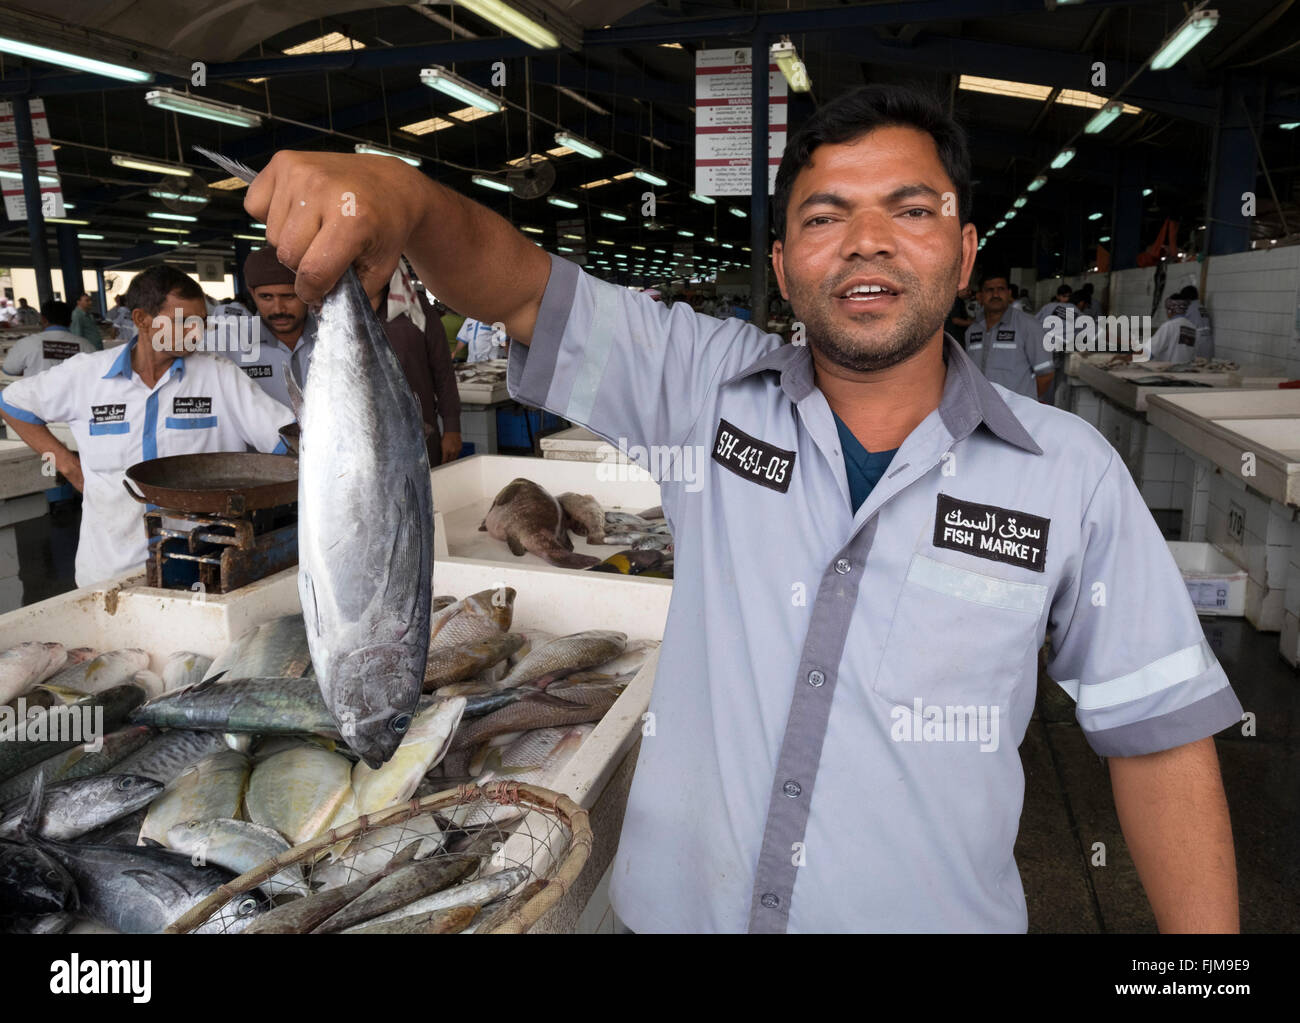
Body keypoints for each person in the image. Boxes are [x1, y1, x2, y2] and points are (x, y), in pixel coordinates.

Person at [244, 84, 1242, 934]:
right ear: (779, 267)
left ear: (967, 249)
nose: (866, 243)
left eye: (910, 210)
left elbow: (1158, 740)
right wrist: (405, 197)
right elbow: (514, 284)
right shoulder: (700, 388)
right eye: (823, 216)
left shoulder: (1068, 474)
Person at [0, 265, 293, 588]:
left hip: (203, 565)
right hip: (110, 570)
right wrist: (68, 467)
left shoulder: (219, 376)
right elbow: (13, 404)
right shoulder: (86, 376)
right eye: (183, 322)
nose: (196, 333)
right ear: (141, 319)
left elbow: (284, 442)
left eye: (202, 323)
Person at [207, 247, 317, 407]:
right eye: (266, 297)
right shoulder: (224, 346)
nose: (278, 309)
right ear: (252, 293)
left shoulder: (336, 340)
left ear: (307, 293)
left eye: (289, 296)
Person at [377, 266, 462, 466]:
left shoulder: (417, 309)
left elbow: (443, 372)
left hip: (420, 436)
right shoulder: (338, 313)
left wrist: (452, 427)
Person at [964, 272, 1054, 400]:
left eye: (1001, 289)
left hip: (1017, 413)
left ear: (1009, 293)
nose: (995, 295)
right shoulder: (972, 331)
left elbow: (1045, 374)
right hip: (982, 411)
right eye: (989, 290)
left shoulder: (1029, 326)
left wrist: (1025, 404)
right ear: (980, 296)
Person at [1, 300, 95, 376]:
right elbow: (94, 373)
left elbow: (9, 369)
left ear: (43, 319)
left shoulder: (26, 344)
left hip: (36, 398)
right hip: (75, 398)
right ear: (70, 321)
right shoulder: (86, 346)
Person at [1148, 294, 1199, 364]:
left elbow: (1150, 352)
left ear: (1170, 310)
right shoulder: (1194, 328)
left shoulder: (1168, 326)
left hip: (1167, 371)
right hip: (1187, 371)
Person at [1179, 285, 1214, 359]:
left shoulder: (1189, 309)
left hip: (1196, 342)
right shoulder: (1202, 307)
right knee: (1205, 367)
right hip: (1207, 342)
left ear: (1187, 298)